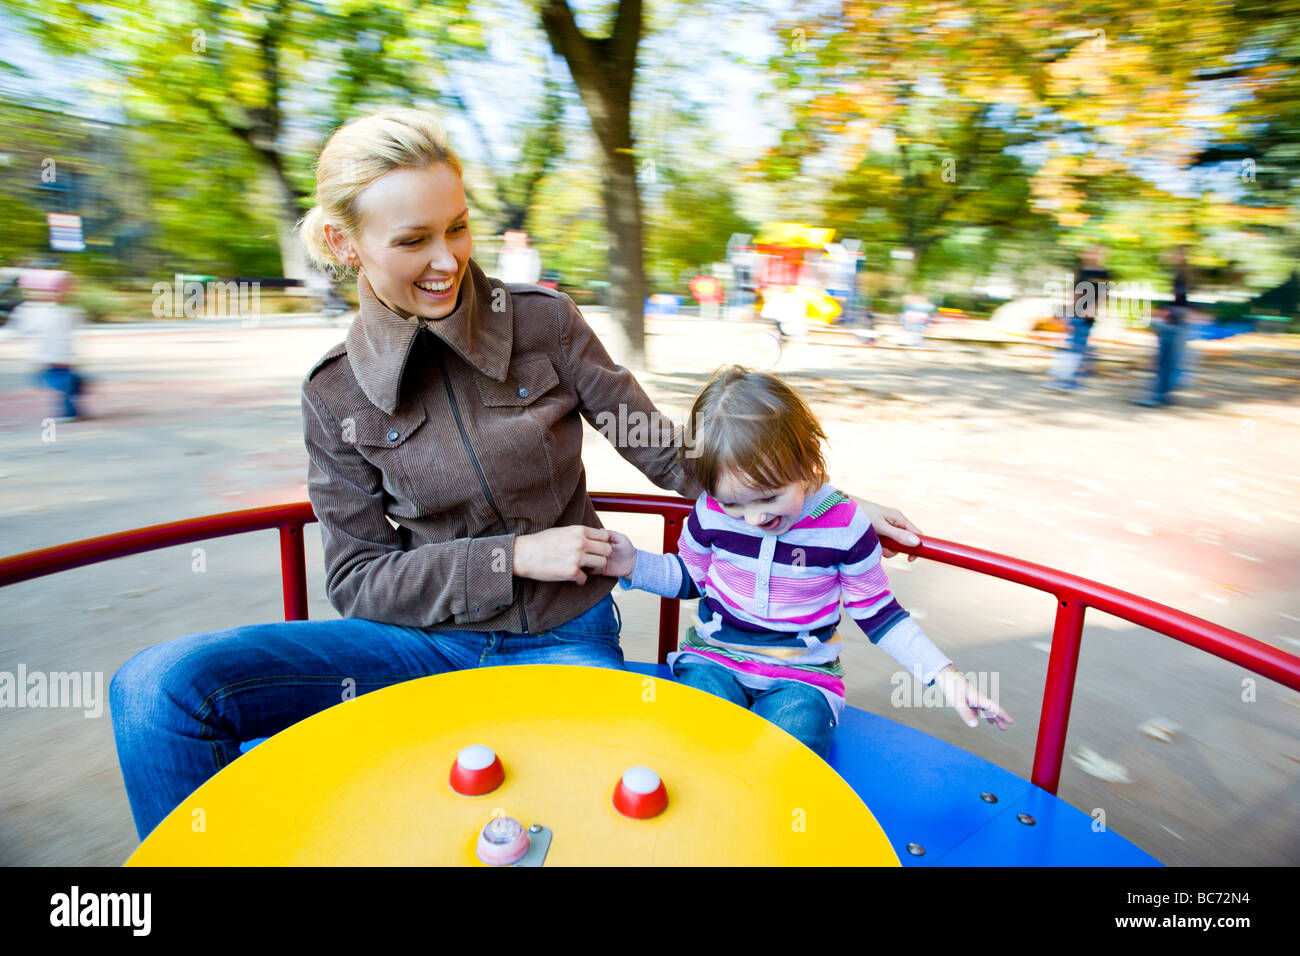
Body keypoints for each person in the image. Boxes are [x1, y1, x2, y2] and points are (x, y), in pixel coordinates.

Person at [108, 108, 925, 841]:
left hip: (564, 642)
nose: (446, 261)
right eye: (412, 240)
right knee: (159, 691)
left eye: (457, 228)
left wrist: (823, 503)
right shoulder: (334, 392)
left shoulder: (543, 323)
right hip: (416, 646)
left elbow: (676, 456)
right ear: (342, 244)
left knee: (597, 815)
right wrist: (509, 558)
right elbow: (358, 581)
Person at [603, 366, 1012, 758]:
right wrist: (634, 564)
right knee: (694, 732)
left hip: (801, 677)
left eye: (769, 497)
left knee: (789, 749)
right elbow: (691, 577)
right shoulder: (710, 512)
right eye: (733, 504)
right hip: (715, 659)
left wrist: (943, 674)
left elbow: (880, 614)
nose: (755, 519)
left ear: (808, 465)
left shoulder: (846, 527)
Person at [6, 269, 86, 421]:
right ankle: (77, 390)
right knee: (65, 380)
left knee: (56, 382)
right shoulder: (67, 311)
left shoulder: (40, 312)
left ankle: (70, 411)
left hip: (52, 356)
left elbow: (24, 330)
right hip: (63, 357)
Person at [1135, 246, 1191, 407]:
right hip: (1176, 322)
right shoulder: (1180, 275)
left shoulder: (1179, 276)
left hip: (1173, 323)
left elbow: (1179, 302)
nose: (1169, 256)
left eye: (1172, 253)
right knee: (1169, 361)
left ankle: (1158, 396)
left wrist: (1161, 314)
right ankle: (1163, 395)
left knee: (1165, 360)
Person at [1047, 245, 1109, 391]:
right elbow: (1076, 293)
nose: (1091, 256)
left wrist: (1094, 309)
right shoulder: (1081, 271)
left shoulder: (1103, 273)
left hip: (1087, 315)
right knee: (1074, 346)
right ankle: (1067, 380)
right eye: (1089, 253)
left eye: (1095, 253)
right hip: (1076, 313)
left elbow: (1103, 294)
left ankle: (1070, 381)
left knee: (1077, 348)